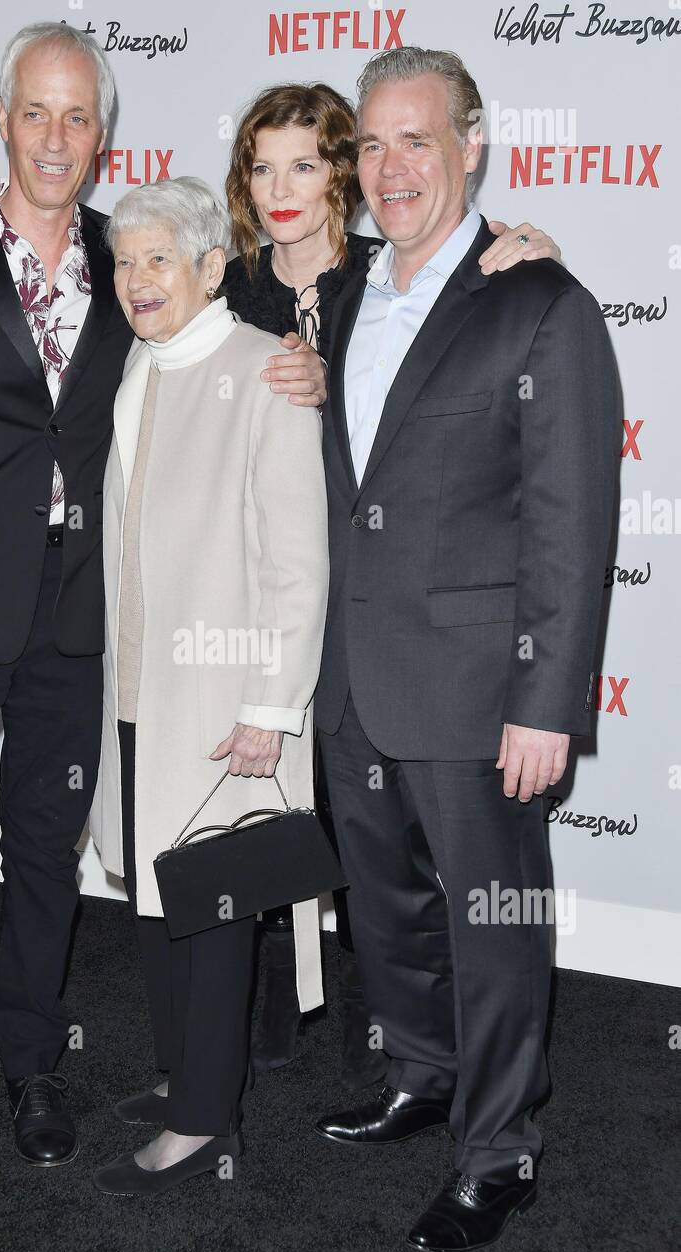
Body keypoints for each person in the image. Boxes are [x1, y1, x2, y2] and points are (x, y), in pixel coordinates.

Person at [0, 21, 326, 1198]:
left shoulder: (136, 257)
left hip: (80, 632)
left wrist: (314, 350)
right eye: (35, 112)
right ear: (2, 119)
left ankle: (31, 1066)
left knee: (45, 861)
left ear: (101, 135)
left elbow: (246, 297)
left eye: (78, 118)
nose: (56, 138)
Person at [313, 47, 619, 1251]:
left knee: (494, 922)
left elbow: (572, 523)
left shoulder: (542, 301)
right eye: (373, 146)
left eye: (417, 141)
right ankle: (421, 1075)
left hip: (479, 687)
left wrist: (546, 702)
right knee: (384, 912)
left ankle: (499, 1152)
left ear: (471, 145)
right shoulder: (341, 295)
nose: (392, 170)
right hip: (355, 679)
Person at [221, 80, 562, 1085]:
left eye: (310, 162)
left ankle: (467, 1104)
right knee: (328, 855)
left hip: (413, 633)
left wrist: (532, 254)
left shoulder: (399, 273)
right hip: (286, 625)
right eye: (261, 165)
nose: (283, 187)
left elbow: (496, 356)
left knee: (437, 880)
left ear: (343, 176)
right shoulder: (225, 285)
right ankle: (329, 1044)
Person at [89, 176, 329, 1196]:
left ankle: (205, 1124)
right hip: (141, 690)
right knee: (160, 902)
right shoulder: (138, 369)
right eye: (123, 260)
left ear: (207, 268)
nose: (137, 280)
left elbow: (298, 557)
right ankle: (186, 1072)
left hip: (229, 703)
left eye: (158, 260)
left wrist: (271, 705)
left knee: (215, 905)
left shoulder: (263, 370)